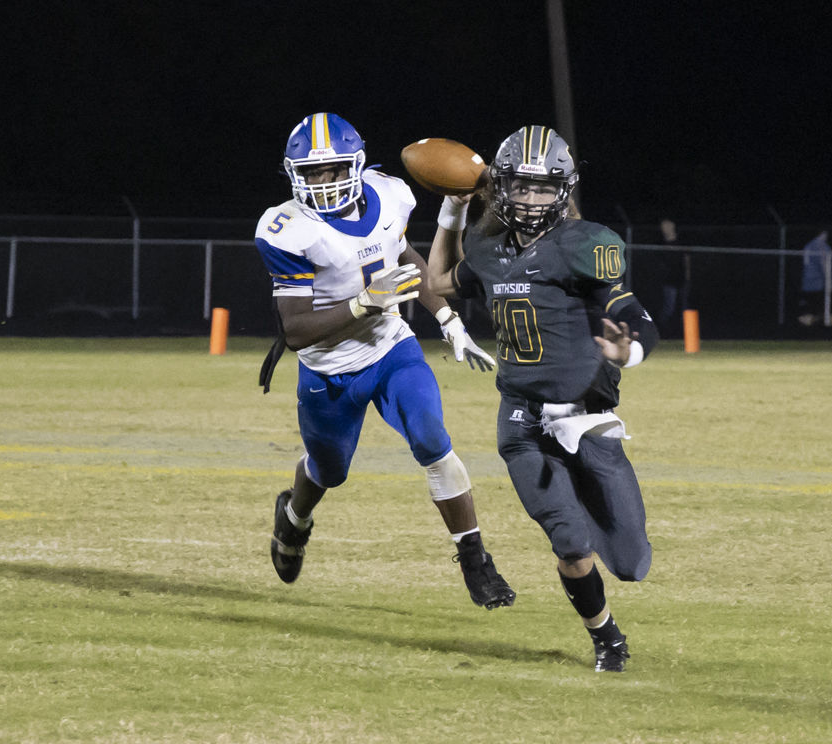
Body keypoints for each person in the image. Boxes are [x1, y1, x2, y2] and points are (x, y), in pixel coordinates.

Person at [253, 112, 515, 610]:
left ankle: (475, 556)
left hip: (392, 347)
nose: (322, 182)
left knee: (432, 439)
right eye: (311, 173)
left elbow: (402, 256)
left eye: (331, 170)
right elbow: (293, 328)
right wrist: (362, 303)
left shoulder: (390, 192)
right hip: (329, 368)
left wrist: (447, 319)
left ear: (354, 165)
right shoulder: (287, 228)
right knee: (328, 472)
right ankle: (294, 521)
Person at [426, 125, 659, 671]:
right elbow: (436, 281)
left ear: (565, 189)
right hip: (522, 422)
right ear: (501, 186)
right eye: (522, 187)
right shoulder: (485, 246)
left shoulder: (586, 244)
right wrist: (451, 212)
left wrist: (630, 350)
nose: (532, 199)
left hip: (587, 418)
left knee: (630, 561)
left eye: (544, 187)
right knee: (571, 544)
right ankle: (606, 638)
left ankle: (611, 590)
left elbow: (629, 310)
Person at [656, 218, 690, 336]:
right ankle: (662, 331)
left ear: (672, 226)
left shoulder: (681, 241)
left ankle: (685, 331)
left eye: (666, 226)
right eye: (662, 227)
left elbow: (686, 259)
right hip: (668, 280)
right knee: (669, 307)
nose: (664, 229)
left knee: (684, 308)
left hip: (681, 278)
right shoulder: (661, 243)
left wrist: (688, 276)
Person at [798, 230, 832, 326]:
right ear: (823, 233)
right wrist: (829, 280)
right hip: (817, 281)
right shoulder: (820, 245)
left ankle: (810, 322)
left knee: (810, 303)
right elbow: (823, 263)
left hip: (807, 279)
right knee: (818, 303)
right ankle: (821, 324)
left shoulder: (809, 245)